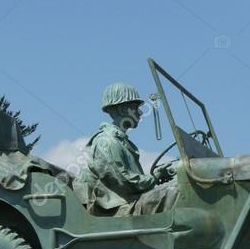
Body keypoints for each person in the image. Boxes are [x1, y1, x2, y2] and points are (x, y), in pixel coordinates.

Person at [72, 82, 178, 215]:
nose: (140, 112)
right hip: (118, 210)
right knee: (176, 193)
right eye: (136, 108)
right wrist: (154, 177)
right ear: (122, 110)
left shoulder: (121, 141)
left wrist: (158, 175)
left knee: (179, 187)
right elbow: (125, 182)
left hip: (128, 203)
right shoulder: (107, 142)